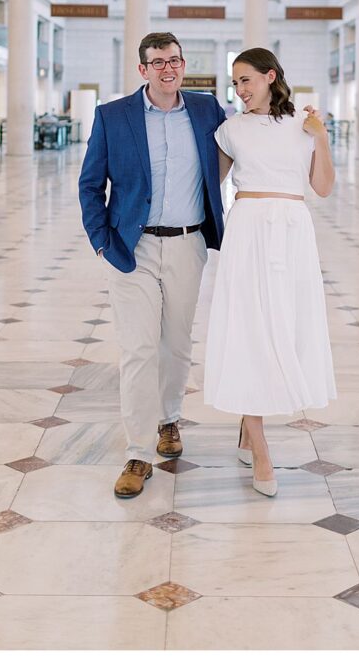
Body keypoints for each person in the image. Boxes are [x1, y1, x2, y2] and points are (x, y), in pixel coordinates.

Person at [78, 32, 229, 499]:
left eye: (175, 60)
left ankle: (169, 421)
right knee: (138, 350)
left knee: (176, 343)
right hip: (133, 250)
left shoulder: (207, 111)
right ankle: (138, 452)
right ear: (142, 70)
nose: (168, 68)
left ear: (184, 65)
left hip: (188, 245)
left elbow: (236, 151)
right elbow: (89, 185)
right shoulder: (113, 116)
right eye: (158, 62)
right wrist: (103, 244)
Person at [206, 48, 337, 496]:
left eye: (246, 80)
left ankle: (248, 426)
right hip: (247, 230)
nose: (240, 90)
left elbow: (321, 186)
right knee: (249, 329)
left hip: (293, 232)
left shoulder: (303, 122)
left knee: (286, 325)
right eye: (235, 83)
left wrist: (320, 136)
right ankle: (261, 449)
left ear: (270, 77)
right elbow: (209, 184)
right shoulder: (231, 129)